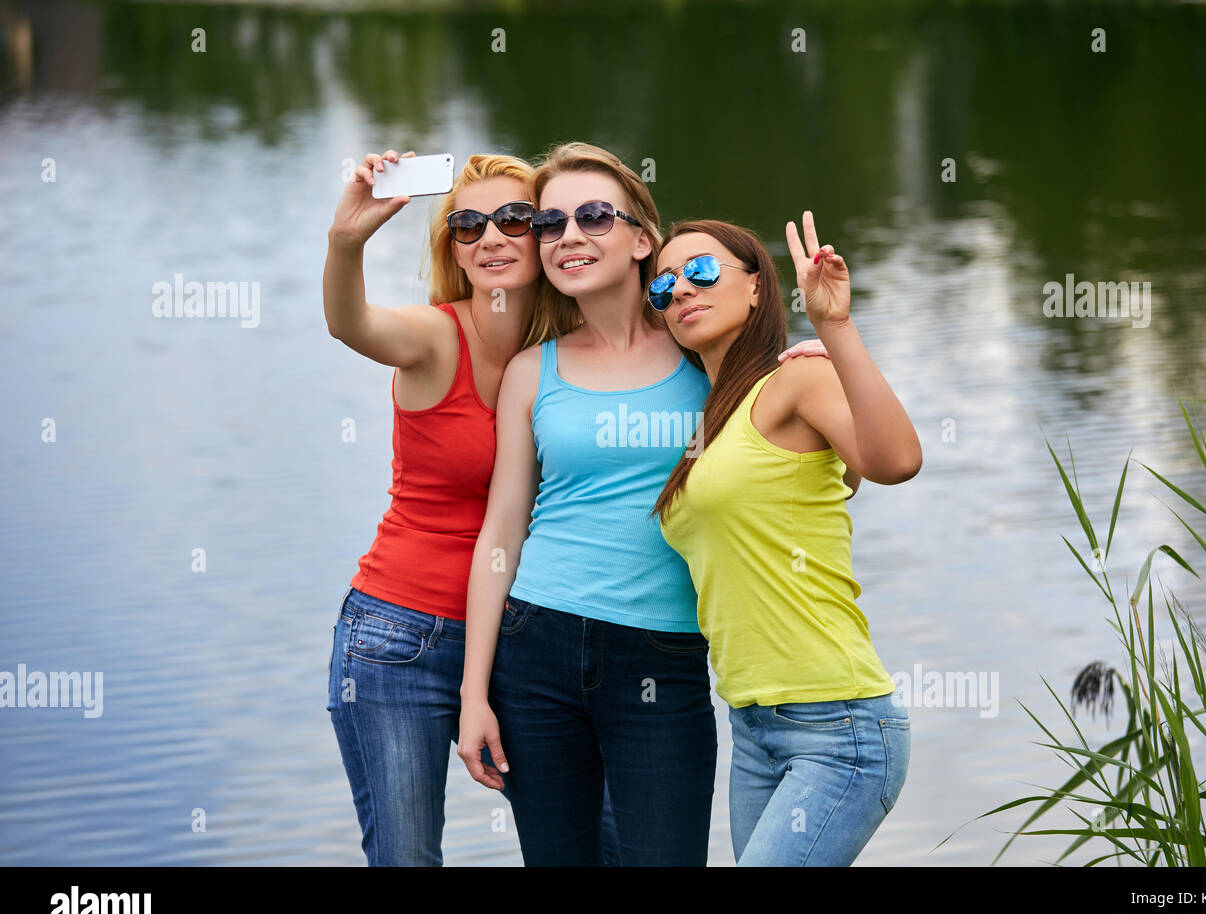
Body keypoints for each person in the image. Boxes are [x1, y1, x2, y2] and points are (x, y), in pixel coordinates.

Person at [456, 144, 828, 865]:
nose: (569, 236)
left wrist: (825, 352)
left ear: (642, 239)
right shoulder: (534, 370)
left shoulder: (705, 354)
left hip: (665, 653)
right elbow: (501, 530)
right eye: (550, 222)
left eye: (594, 216)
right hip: (535, 648)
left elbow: (820, 471)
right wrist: (475, 694)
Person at [323, 148, 621, 865]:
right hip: (400, 639)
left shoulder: (572, 347)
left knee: (602, 848)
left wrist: (791, 357)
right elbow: (349, 324)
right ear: (452, 248)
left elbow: (680, 329)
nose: (490, 236)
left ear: (547, 231)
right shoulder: (433, 335)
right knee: (408, 858)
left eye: (515, 218)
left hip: (528, 636)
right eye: (467, 226)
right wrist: (346, 241)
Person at [651, 213, 923, 866]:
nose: (681, 289)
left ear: (756, 287)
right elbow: (829, 487)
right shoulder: (712, 422)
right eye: (662, 287)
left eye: (702, 271)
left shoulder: (796, 380)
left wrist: (835, 328)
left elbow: (896, 461)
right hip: (753, 730)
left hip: (838, 728)